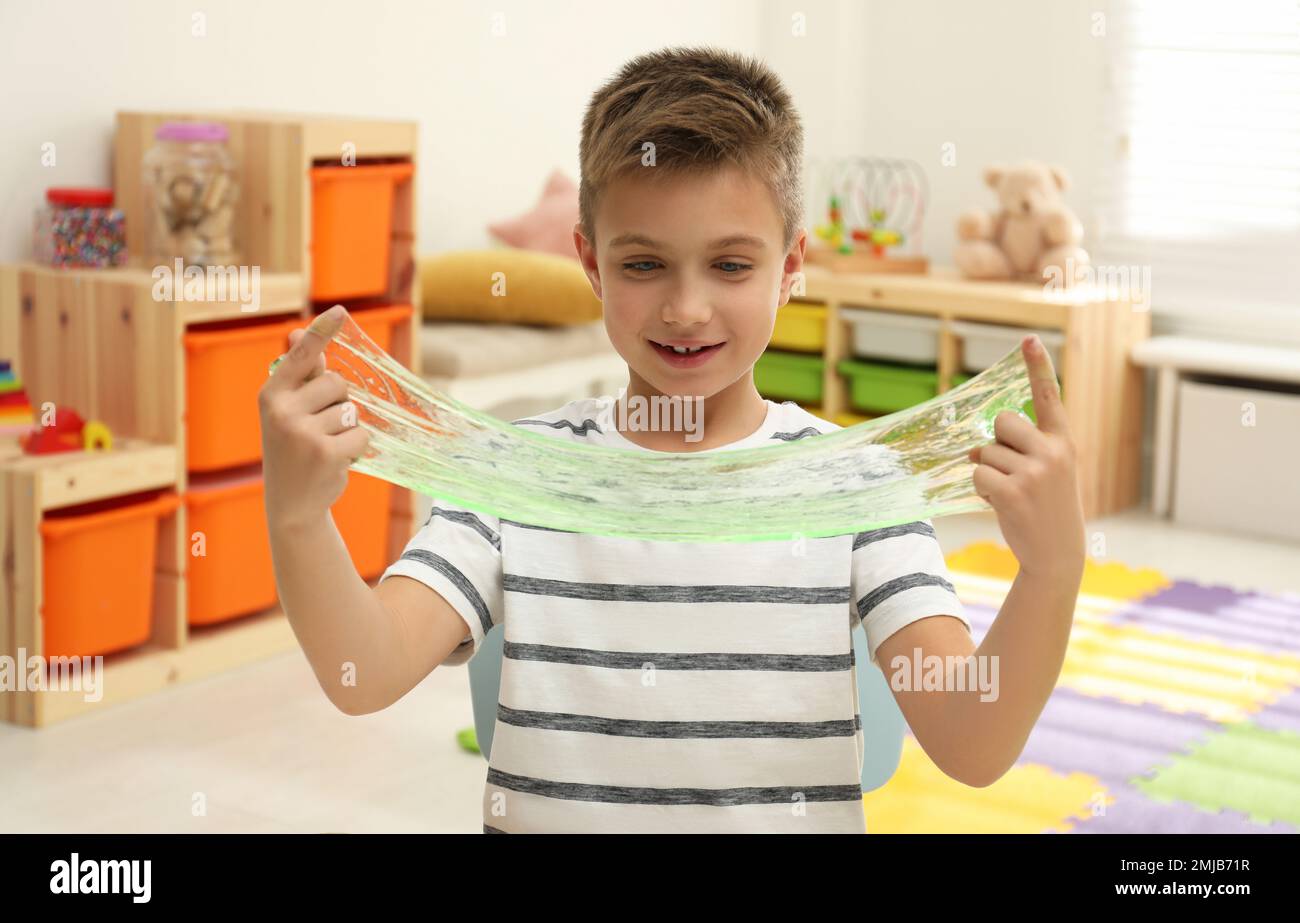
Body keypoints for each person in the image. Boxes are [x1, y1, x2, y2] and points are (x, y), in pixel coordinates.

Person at [257, 45, 1086, 833]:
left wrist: (1052, 568)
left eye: (730, 265)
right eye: (644, 264)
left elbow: (973, 744)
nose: (687, 309)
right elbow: (361, 673)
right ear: (590, 263)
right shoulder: (513, 476)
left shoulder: (856, 487)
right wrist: (298, 518)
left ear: (791, 265)